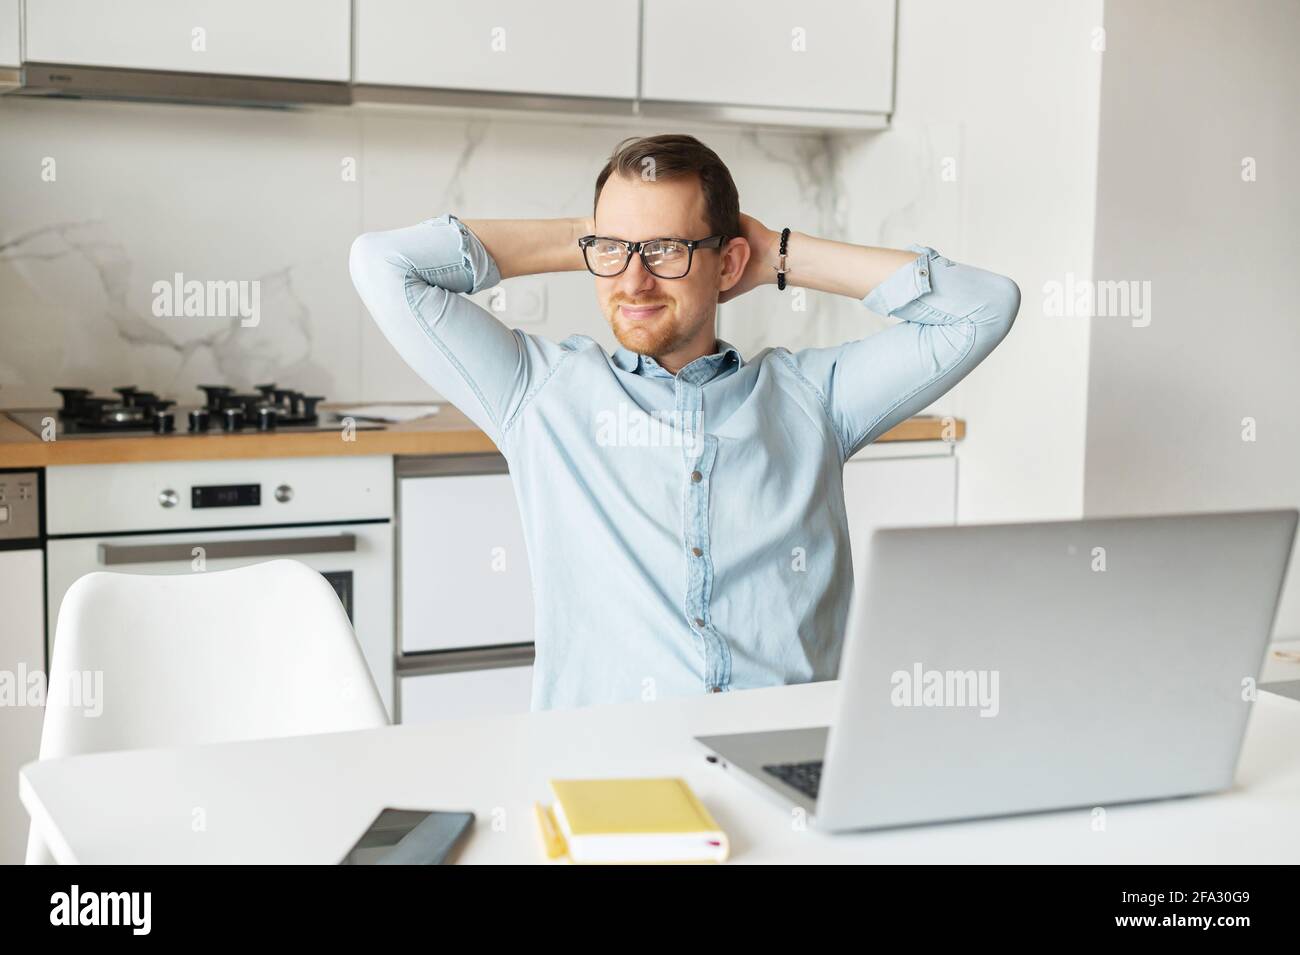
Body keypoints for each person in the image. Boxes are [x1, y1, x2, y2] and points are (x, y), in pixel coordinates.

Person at [349, 133, 1020, 710]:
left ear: (728, 263)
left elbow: (985, 307)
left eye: (666, 250)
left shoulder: (813, 397)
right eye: (613, 250)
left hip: (787, 754)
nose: (634, 282)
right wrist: (594, 240)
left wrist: (779, 253)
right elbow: (383, 265)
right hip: (610, 768)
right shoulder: (539, 393)